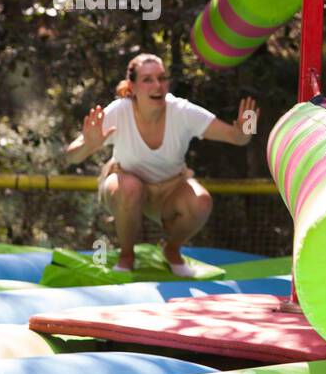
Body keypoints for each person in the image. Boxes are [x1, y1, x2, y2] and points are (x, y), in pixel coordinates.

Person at [63, 52, 259, 274]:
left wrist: (246, 131)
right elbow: (71, 157)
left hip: (170, 191)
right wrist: (89, 145)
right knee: (130, 188)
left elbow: (236, 137)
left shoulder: (182, 111)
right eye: (147, 79)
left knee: (201, 202)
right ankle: (127, 256)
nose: (157, 85)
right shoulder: (119, 111)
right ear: (132, 87)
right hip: (125, 188)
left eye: (162, 78)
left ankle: (171, 250)